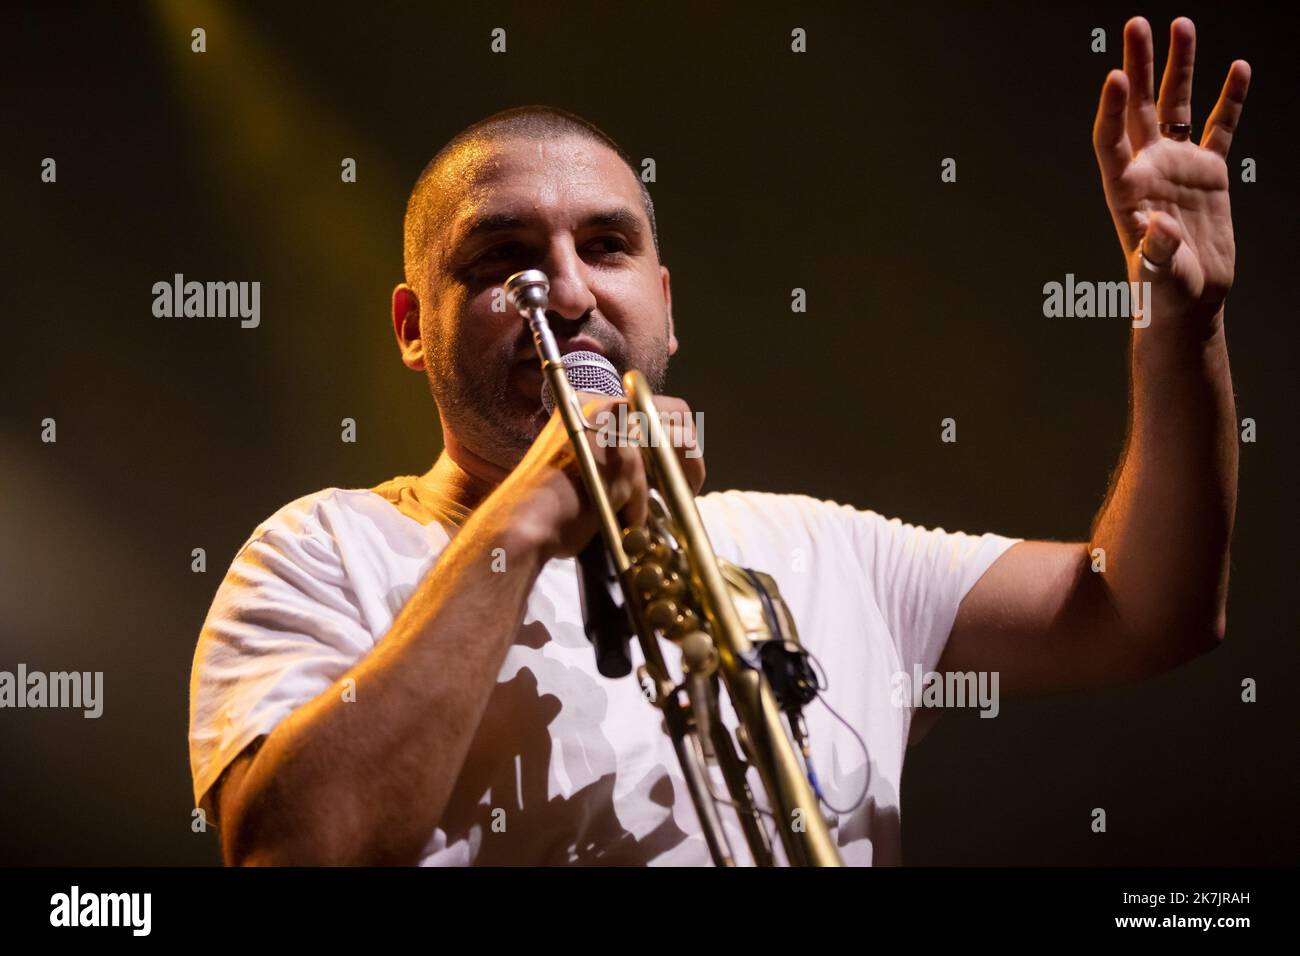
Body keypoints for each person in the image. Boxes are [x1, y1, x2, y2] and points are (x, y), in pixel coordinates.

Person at [188, 16, 1249, 865]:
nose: (563, 290)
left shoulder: (822, 549)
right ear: (415, 328)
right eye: (502, 256)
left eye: (603, 245)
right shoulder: (322, 550)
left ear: (663, 304)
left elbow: (1144, 608)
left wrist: (1181, 329)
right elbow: (294, 848)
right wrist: (532, 513)